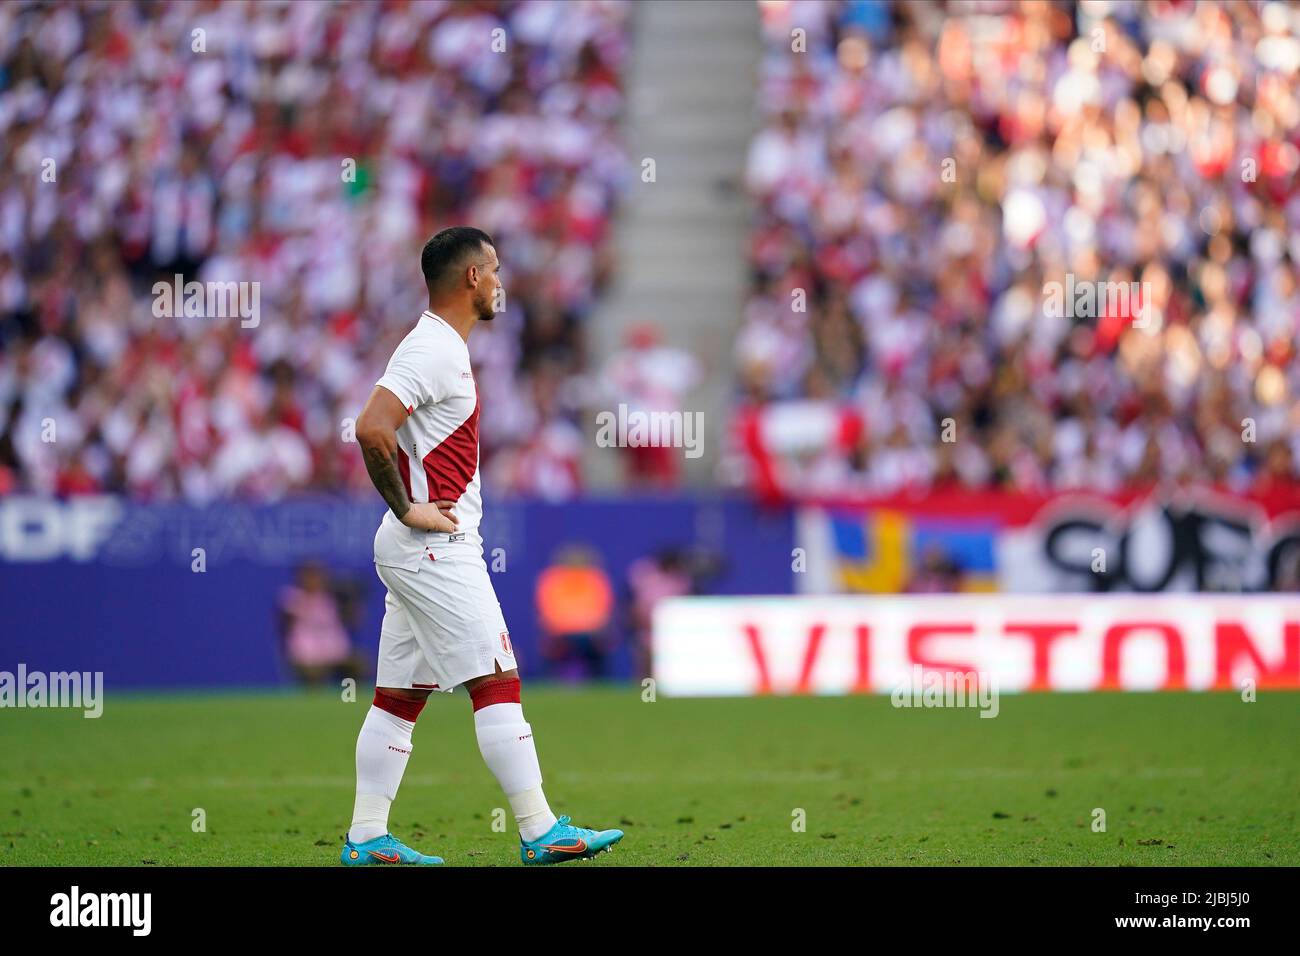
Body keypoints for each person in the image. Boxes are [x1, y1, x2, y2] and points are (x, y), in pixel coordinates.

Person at [342, 227, 623, 866]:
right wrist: (408, 506)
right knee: (497, 681)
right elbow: (370, 428)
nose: (501, 280)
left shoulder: (440, 347)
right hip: (433, 546)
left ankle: (365, 837)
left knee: (399, 698)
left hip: (414, 546)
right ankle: (539, 830)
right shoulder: (433, 349)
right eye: (494, 268)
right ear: (471, 278)